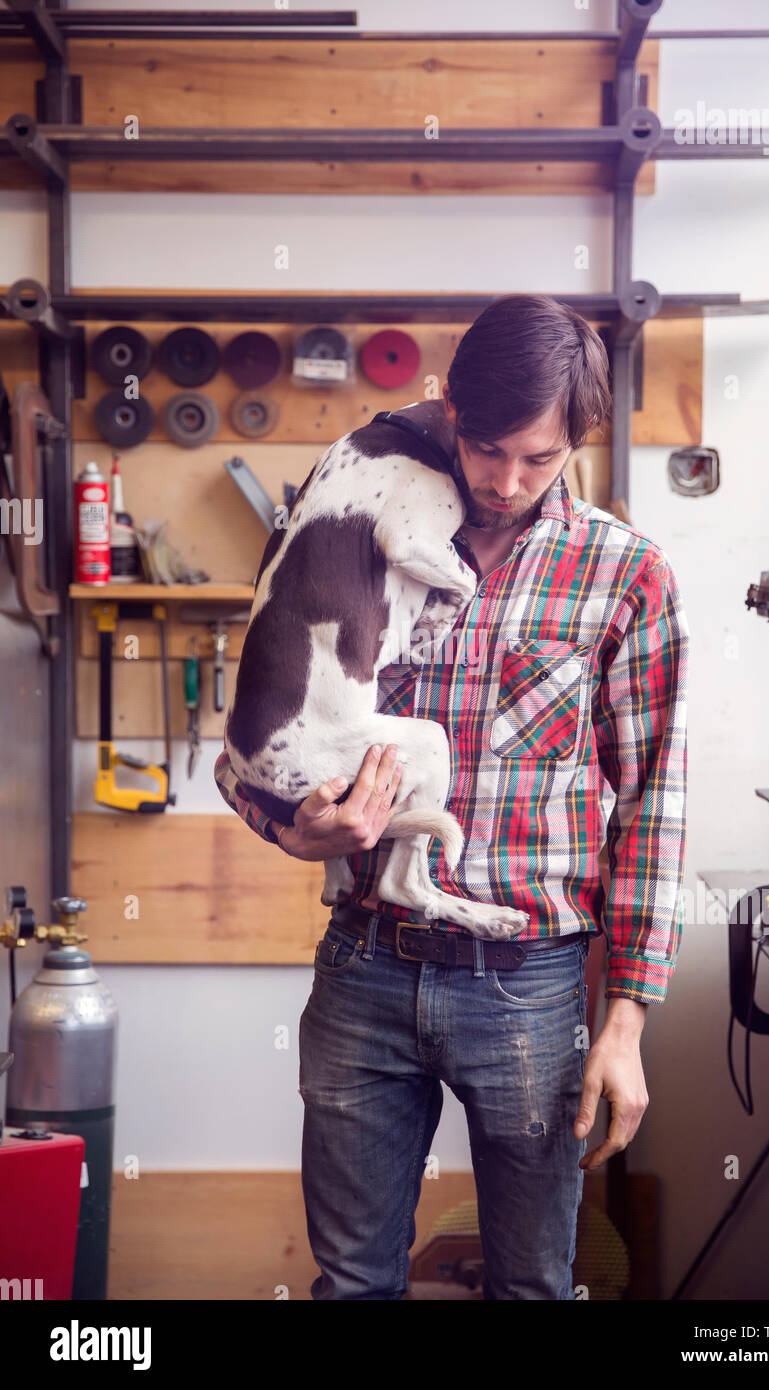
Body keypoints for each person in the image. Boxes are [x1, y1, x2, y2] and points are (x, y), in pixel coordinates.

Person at [214, 293, 689, 1300]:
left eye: (537, 459)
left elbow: (653, 802)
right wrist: (294, 832)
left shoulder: (625, 574)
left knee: (528, 1289)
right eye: (483, 449)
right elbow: (247, 741)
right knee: (350, 1286)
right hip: (362, 966)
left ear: (576, 445)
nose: (504, 482)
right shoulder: (344, 508)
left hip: (530, 982)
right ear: (443, 408)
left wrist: (626, 1019)